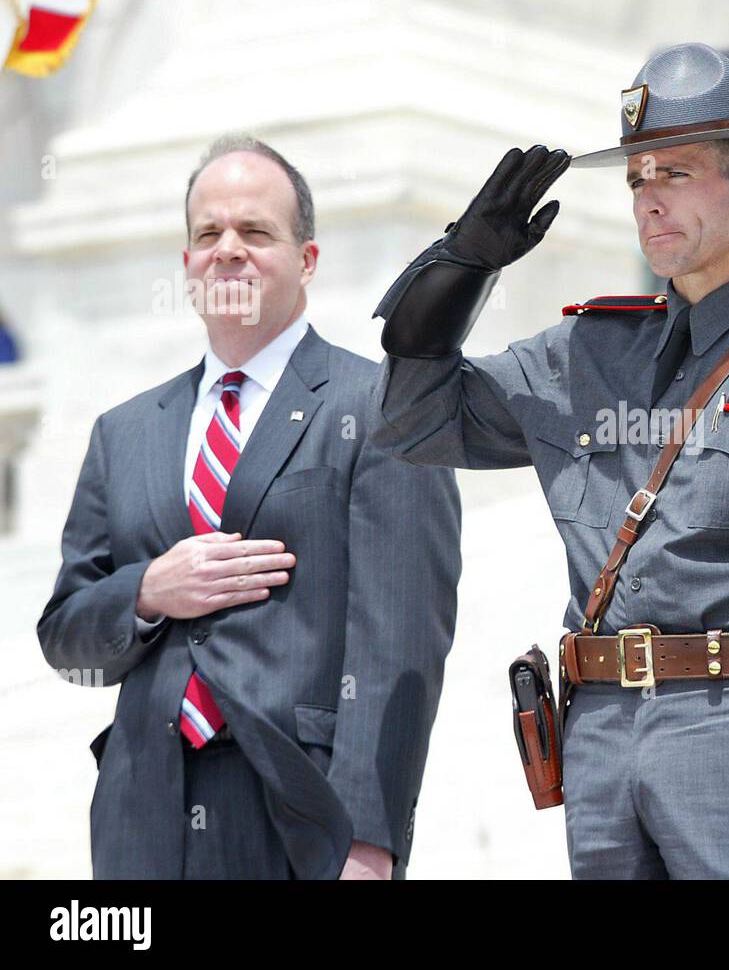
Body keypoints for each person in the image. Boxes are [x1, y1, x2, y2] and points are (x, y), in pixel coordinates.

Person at [368, 42, 729, 879]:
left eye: (676, 175)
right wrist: (462, 265)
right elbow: (412, 421)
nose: (650, 200)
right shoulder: (587, 350)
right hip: (601, 735)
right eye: (637, 179)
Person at [38, 136, 462, 880]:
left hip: (303, 815)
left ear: (308, 260)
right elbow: (66, 635)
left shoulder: (380, 409)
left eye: (256, 232)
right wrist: (145, 592)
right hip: (143, 817)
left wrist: (370, 840)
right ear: (187, 266)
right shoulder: (125, 432)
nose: (228, 251)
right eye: (208, 234)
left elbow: (401, 649)